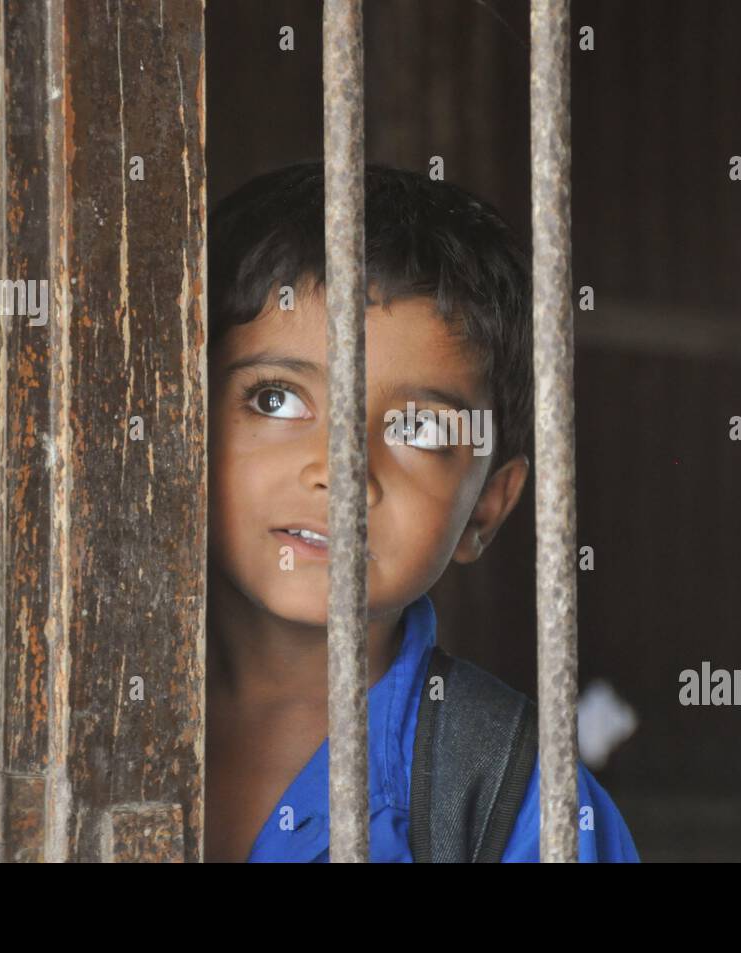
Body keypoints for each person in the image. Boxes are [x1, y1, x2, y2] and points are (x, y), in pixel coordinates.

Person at [204, 160, 639, 862]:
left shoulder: (517, 798)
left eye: (421, 430)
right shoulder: (61, 716)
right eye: (276, 398)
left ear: (487, 508)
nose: (342, 468)